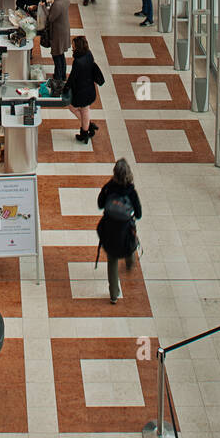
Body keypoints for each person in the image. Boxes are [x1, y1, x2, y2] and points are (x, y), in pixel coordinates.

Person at [96, 159, 143, 304]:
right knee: (129, 248)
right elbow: (139, 214)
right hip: (126, 232)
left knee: (112, 261)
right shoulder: (131, 192)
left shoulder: (109, 187)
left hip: (110, 232)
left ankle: (113, 295)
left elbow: (100, 204)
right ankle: (130, 263)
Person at [64, 34, 105, 145]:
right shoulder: (89, 54)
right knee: (85, 109)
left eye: (73, 45)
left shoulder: (77, 62)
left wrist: (66, 87)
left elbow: (73, 77)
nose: (72, 47)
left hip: (80, 91)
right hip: (89, 89)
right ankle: (87, 127)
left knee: (72, 107)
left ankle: (86, 129)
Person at [44, 0, 70, 89]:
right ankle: (63, 75)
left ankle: (58, 77)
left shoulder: (57, 4)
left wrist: (45, 9)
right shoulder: (65, 0)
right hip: (64, 30)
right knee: (61, 54)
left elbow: (50, 18)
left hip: (57, 33)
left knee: (56, 56)